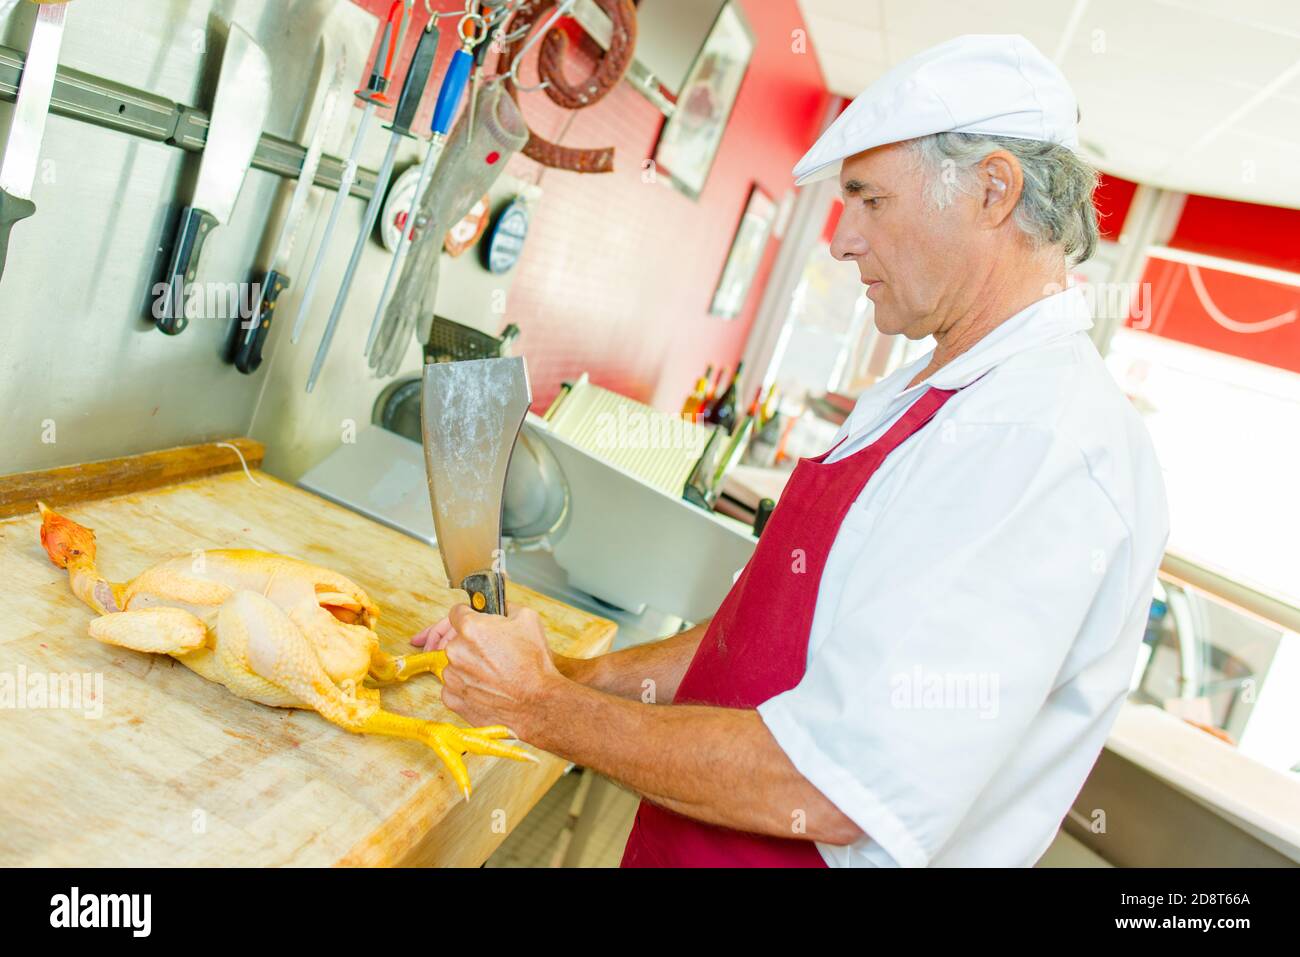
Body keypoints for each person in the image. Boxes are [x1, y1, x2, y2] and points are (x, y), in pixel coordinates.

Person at [410, 34, 1169, 867]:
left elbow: (829, 787)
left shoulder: (1039, 445)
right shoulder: (928, 389)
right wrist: (570, 676)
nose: (841, 242)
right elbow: (766, 636)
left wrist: (540, 705)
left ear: (993, 189)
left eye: (870, 201)